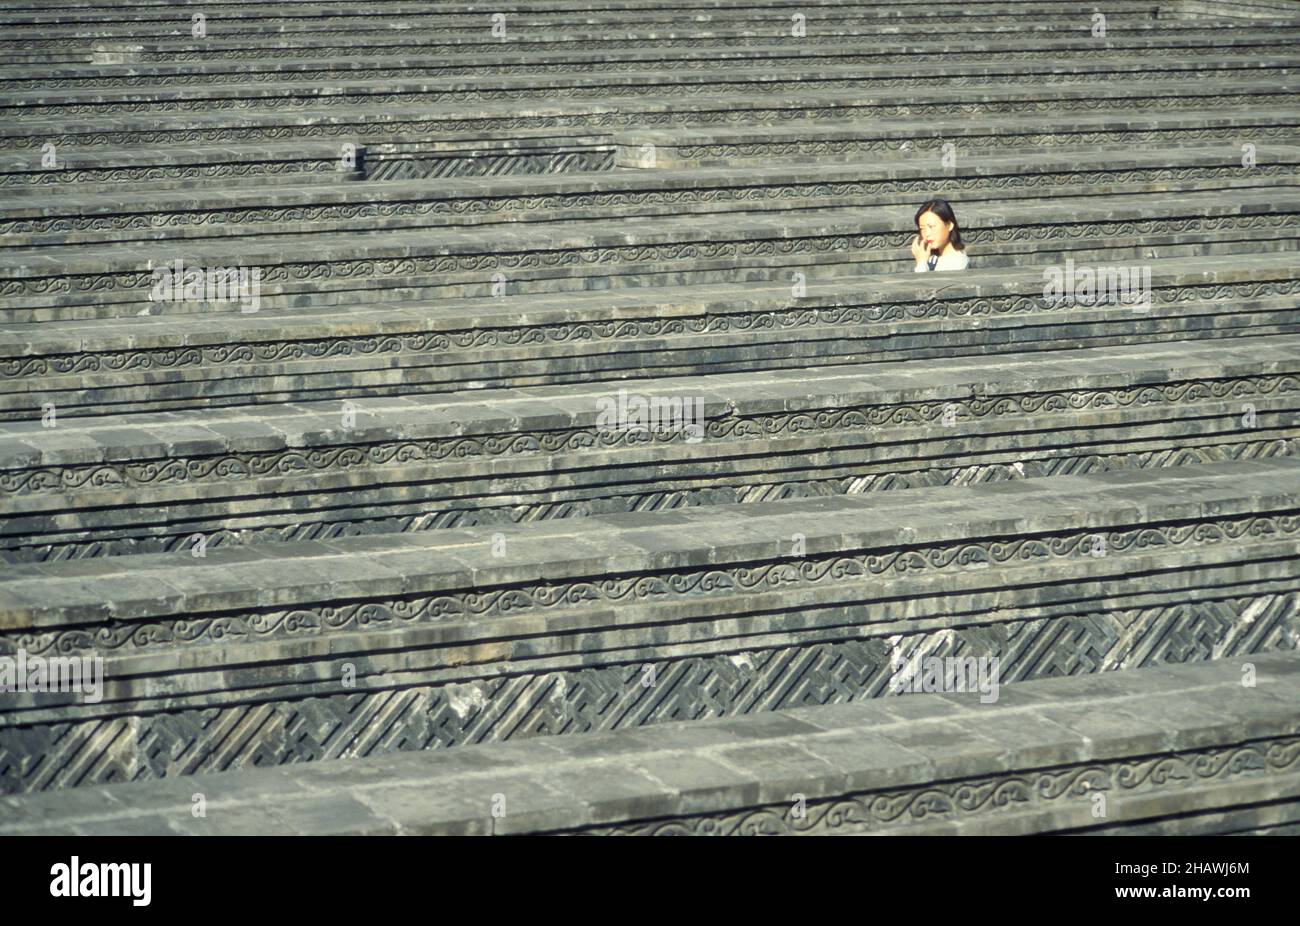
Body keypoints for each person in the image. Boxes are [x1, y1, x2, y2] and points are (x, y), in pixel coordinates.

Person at [910, 198, 969, 272]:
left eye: (931, 226)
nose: (927, 234)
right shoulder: (932, 257)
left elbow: (924, 283)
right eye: (922, 228)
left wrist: (921, 263)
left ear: (949, 225)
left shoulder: (957, 263)